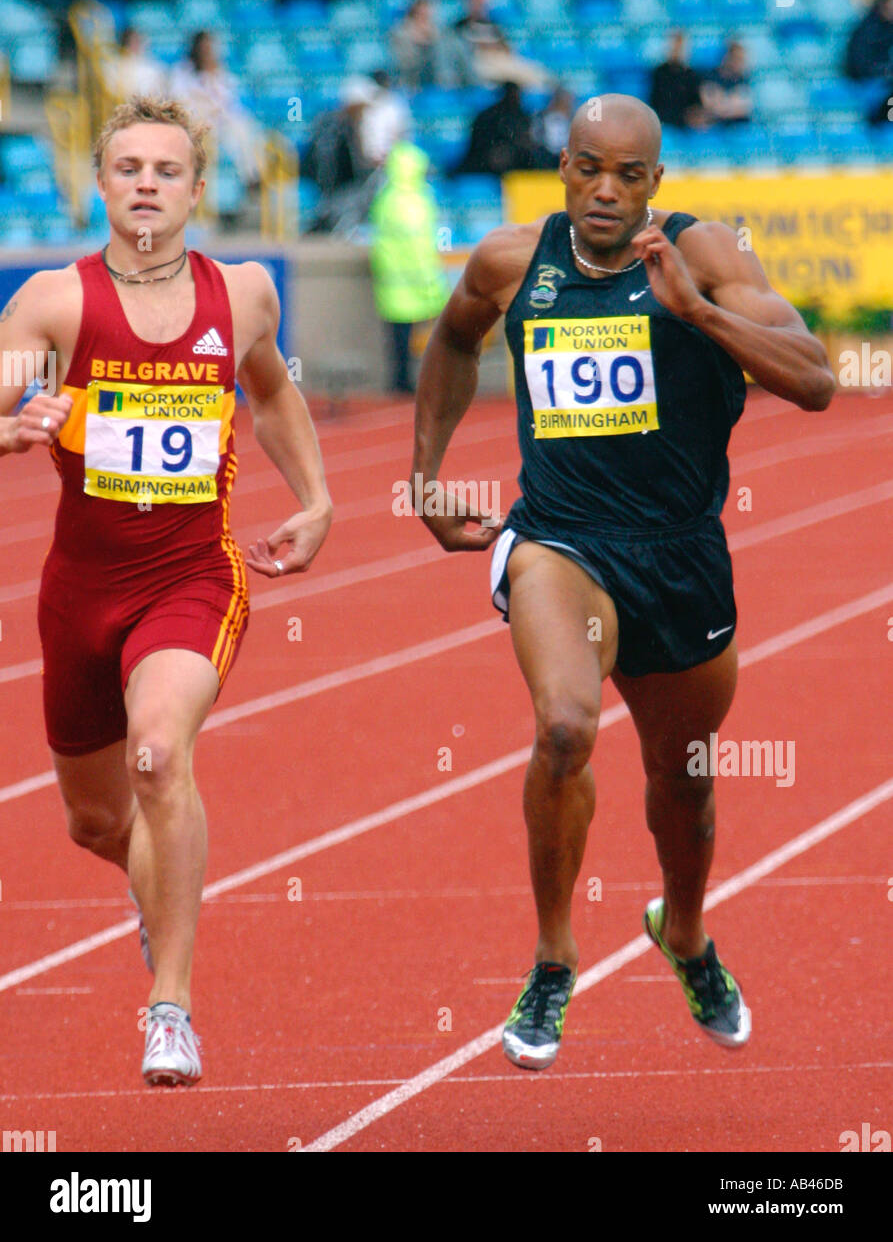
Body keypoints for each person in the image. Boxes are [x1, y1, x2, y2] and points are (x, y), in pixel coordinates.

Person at [412, 92, 833, 1070]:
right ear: (561, 166)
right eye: (585, 168)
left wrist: (689, 310)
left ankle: (681, 930)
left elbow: (812, 379)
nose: (603, 190)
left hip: (680, 556)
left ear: (655, 181)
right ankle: (553, 958)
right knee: (563, 726)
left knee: (679, 783)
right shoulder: (512, 259)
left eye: (626, 174)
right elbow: (451, 339)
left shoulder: (708, 256)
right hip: (560, 542)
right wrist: (425, 474)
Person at [0, 95, 332, 1086]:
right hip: (80, 590)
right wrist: (13, 422)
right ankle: (159, 896)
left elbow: (269, 388)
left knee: (157, 755)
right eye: (127, 166)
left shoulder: (242, 296)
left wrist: (314, 499)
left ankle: (170, 1006)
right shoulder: (55, 304)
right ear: (99, 184)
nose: (146, 181)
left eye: (166, 168)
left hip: (191, 574)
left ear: (196, 189)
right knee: (98, 822)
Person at [369, 140, 449, 394]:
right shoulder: (417, 200)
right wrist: (430, 282)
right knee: (432, 338)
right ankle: (424, 384)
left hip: (391, 281)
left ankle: (400, 382)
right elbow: (419, 247)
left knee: (398, 340)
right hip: (416, 281)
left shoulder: (385, 198)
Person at [168, 31, 263, 188]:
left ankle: (251, 178)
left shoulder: (219, 73)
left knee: (243, 130)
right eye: (204, 47)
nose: (208, 51)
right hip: (196, 121)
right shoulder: (183, 71)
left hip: (220, 122)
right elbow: (179, 99)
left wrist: (213, 82)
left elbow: (230, 102)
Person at [302, 75, 378, 232]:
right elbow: (329, 167)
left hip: (342, 190)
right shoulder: (336, 128)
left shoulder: (345, 126)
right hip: (337, 193)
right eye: (362, 107)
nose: (364, 112)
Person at [453, 0, 553, 89]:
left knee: (536, 73)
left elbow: (506, 48)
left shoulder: (494, 25)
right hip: (478, 64)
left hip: (500, 60)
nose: (479, 3)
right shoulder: (459, 26)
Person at [452, 81, 538, 175]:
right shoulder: (488, 116)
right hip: (483, 161)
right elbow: (479, 144)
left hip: (515, 162)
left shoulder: (522, 117)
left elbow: (527, 143)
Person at [390, 0, 472, 93]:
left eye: (428, 8)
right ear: (415, 9)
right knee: (440, 48)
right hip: (416, 74)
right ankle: (450, 85)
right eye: (422, 8)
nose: (425, 12)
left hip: (440, 70)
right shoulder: (401, 32)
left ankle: (469, 83)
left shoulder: (439, 30)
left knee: (456, 43)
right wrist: (424, 45)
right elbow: (406, 61)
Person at [649, 29, 709, 131]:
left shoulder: (692, 75)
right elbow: (654, 102)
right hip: (664, 124)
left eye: (680, 47)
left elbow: (696, 105)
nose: (677, 50)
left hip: (686, 126)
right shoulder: (659, 73)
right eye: (674, 46)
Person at [844, 0, 893, 81]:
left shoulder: (888, 27)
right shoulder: (867, 30)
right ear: (883, 6)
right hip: (869, 81)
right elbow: (860, 63)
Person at [700, 41, 752, 126]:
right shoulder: (711, 77)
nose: (740, 63)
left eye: (741, 59)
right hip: (714, 126)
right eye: (737, 58)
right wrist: (730, 105)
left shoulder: (742, 79)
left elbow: (744, 108)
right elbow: (709, 105)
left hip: (737, 125)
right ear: (727, 57)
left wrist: (723, 103)